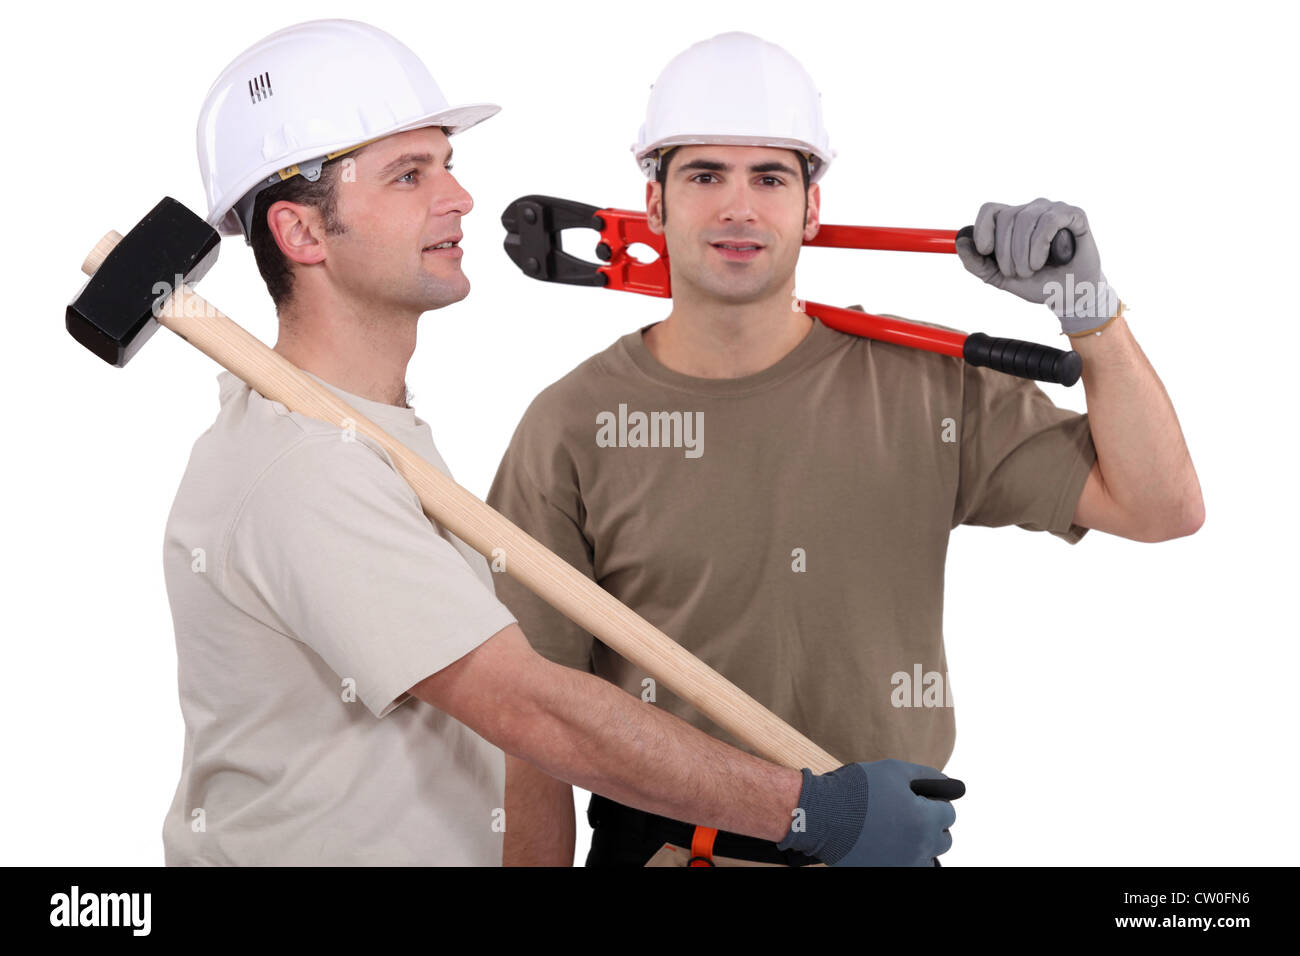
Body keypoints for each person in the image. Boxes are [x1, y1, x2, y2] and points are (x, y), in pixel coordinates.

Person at [160, 18, 957, 867]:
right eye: (407, 176)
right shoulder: (307, 467)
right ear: (302, 234)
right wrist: (815, 813)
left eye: (448, 167)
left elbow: (514, 742)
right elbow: (530, 708)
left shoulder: (376, 438)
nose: (458, 199)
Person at [486, 31, 1204, 866]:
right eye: (704, 175)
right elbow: (531, 719)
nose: (738, 208)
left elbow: (1160, 507)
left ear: (811, 209)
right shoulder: (570, 425)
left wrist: (1091, 312)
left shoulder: (929, 388)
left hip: (890, 848)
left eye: (770, 177)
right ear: (653, 206)